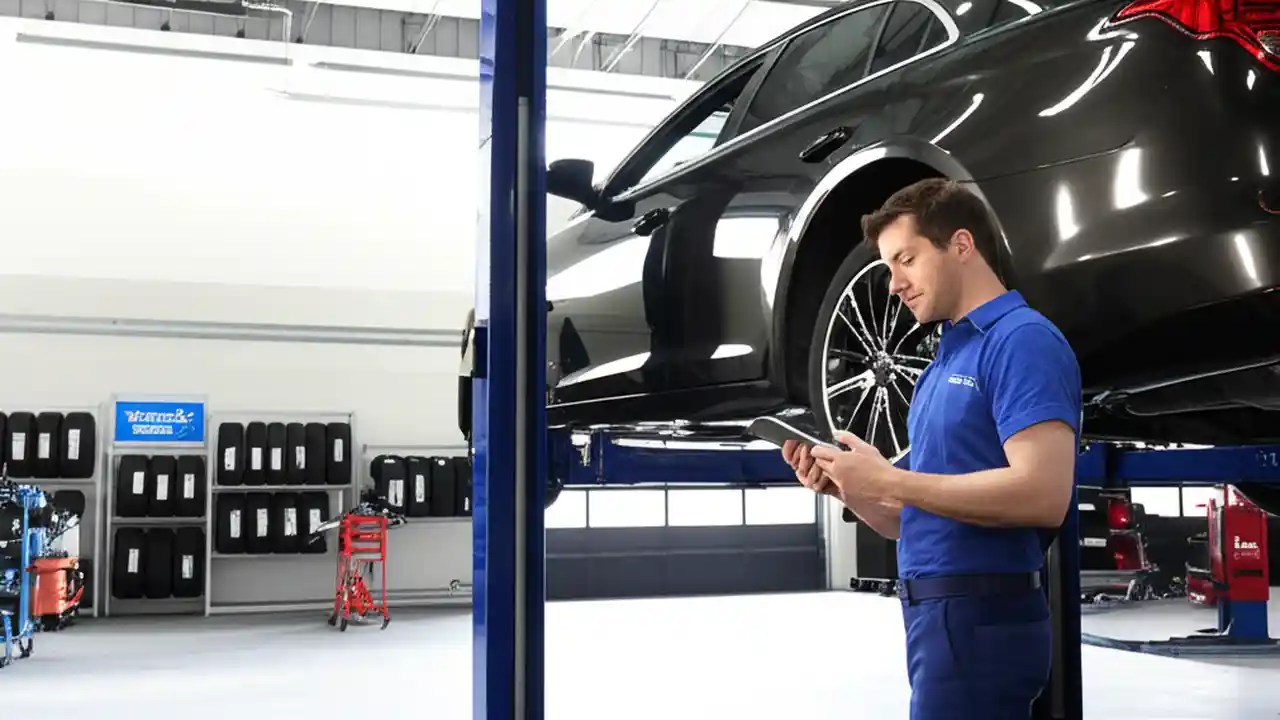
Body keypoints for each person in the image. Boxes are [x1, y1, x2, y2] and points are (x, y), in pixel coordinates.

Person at [782, 178, 1082, 719]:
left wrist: (890, 479)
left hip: (983, 616)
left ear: (961, 246)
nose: (894, 283)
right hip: (939, 617)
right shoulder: (940, 364)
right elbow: (914, 516)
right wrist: (851, 488)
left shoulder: (1022, 341)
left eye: (906, 259)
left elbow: (1043, 493)